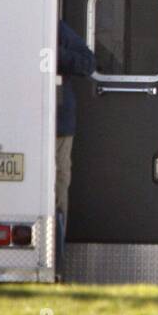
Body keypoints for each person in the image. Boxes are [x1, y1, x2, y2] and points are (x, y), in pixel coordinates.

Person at [55, 19, 95, 272]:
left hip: (58, 127)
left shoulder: (54, 26)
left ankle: (56, 260)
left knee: (59, 188)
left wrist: (55, 53)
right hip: (15, 126)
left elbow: (87, 62)